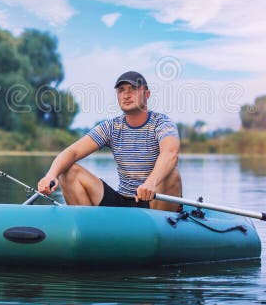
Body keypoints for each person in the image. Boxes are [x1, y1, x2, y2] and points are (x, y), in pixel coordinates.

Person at [37, 70, 182, 211]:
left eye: (133, 89)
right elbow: (73, 152)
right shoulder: (111, 127)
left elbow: (170, 153)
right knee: (67, 171)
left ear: (147, 94)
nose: (126, 95)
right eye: (121, 90)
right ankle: (90, 229)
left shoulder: (162, 123)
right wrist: (51, 174)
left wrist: (151, 182)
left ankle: (157, 231)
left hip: (152, 202)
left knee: (172, 174)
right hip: (122, 201)